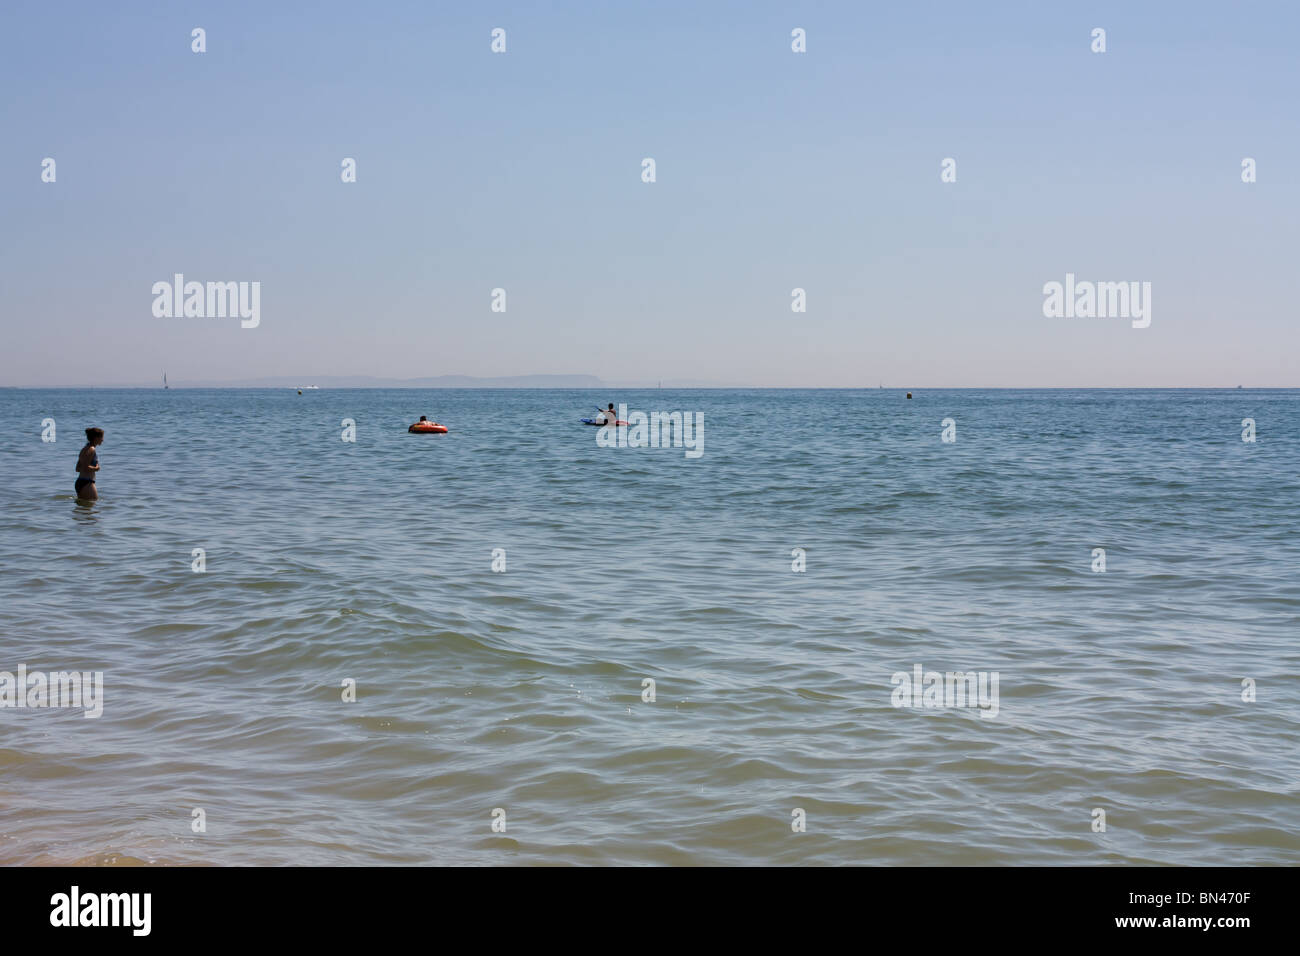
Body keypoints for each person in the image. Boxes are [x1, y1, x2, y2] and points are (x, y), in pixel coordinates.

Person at [75, 427, 103, 500]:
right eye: (101, 437)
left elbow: (77, 468)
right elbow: (85, 467)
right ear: (96, 438)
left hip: (80, 482)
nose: (102, 440)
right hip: (87, 482)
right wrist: (96, 468)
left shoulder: (84, 449)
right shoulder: (92, 449)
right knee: (93, 505)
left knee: (83, 509)